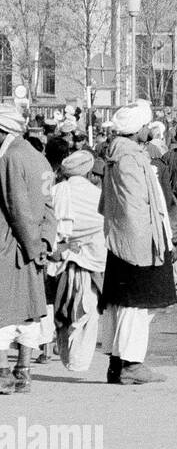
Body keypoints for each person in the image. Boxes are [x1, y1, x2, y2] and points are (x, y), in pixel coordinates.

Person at [99, 101, 177, 385]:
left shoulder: (124, 153)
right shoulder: (129, 158)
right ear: (137, 130)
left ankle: (118, 361)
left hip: (125, 239)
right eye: (146, 125)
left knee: (124, 303)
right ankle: (131, 365)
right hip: (137, 242)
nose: (148, 129)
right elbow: (135, 207)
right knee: (137, 303)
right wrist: (151, 243)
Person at [0, 104, 56, 395]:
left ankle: (3, 375)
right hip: (37, 243)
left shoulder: (10, 158)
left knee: (5, 311)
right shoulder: (38, 158)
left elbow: (17, 209)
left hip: (13, 246)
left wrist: (31, 246)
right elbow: (49, 205)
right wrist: (45, 243)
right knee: (30, 312)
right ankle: (24, 372)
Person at [48, 150, 105, 373]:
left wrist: (64, 247)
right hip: (91, 261)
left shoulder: (55, 192)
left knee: (63, 309)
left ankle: (68, 356)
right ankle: (78, 361)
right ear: (89, 171)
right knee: (87, 311)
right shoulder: (97, 195)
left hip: (60, 260)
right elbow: (103, 226)